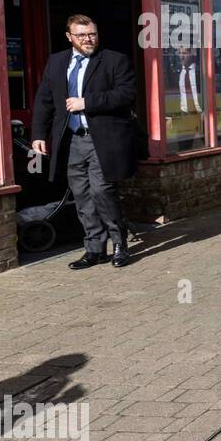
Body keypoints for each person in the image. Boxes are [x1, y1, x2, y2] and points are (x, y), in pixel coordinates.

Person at [31, 15, 137, 269]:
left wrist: (87, 102)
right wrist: (37, 134)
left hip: (102, 140)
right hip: (72, 141)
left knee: (102, 191)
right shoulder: (57, 62)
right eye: (82, 35)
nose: (89, 39)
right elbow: (44, 100)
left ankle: (119, 244)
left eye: (92, 34)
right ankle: (95, 249)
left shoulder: (114, 60)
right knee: (82, 196)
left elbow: (126, 93)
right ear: (69, 37)